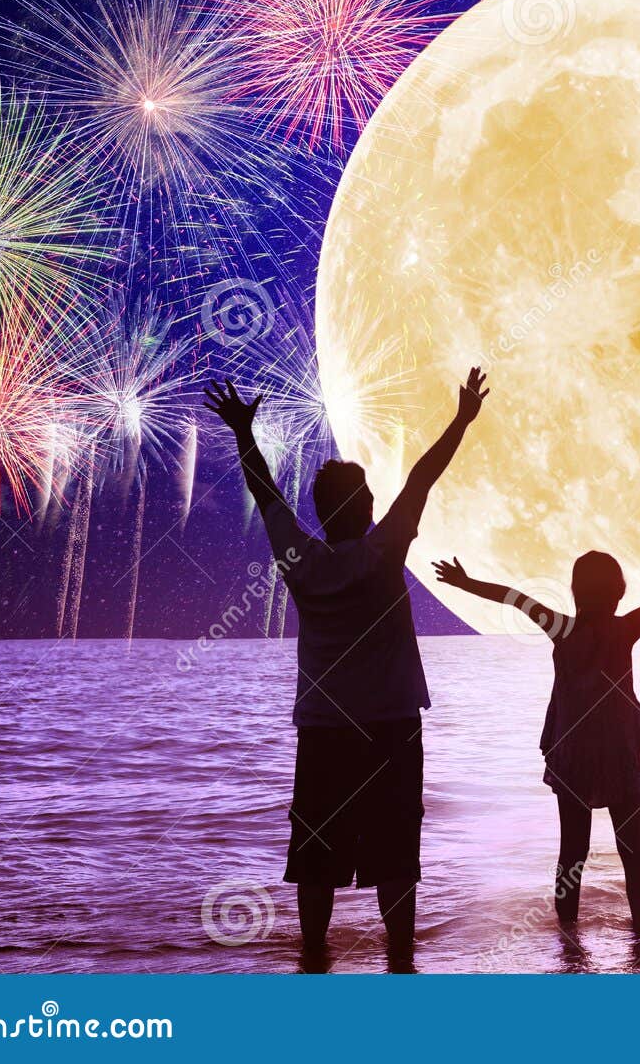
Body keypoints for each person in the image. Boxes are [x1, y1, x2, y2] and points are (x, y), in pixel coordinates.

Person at [203, 368, 489, 962]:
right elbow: (422, 479)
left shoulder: (300, 561)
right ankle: (401, 957)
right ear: (363, 508)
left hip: (325, 729)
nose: (379, 502)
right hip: (389, 725)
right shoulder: (384, 555)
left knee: (316, 853)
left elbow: (267, 495)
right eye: (370, 498)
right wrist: (461, 420)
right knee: (394, 847)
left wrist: (244, 433)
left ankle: (314, 956)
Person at [431, 531, 640, 933]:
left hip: (574, 753)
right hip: (618, 751)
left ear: (575, 592)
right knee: (632, 846)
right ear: (618, 593)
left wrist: (467, 583)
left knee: (573, 851)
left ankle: (568, 935)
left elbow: (513, 597)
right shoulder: (625, 628)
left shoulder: (561, 628)